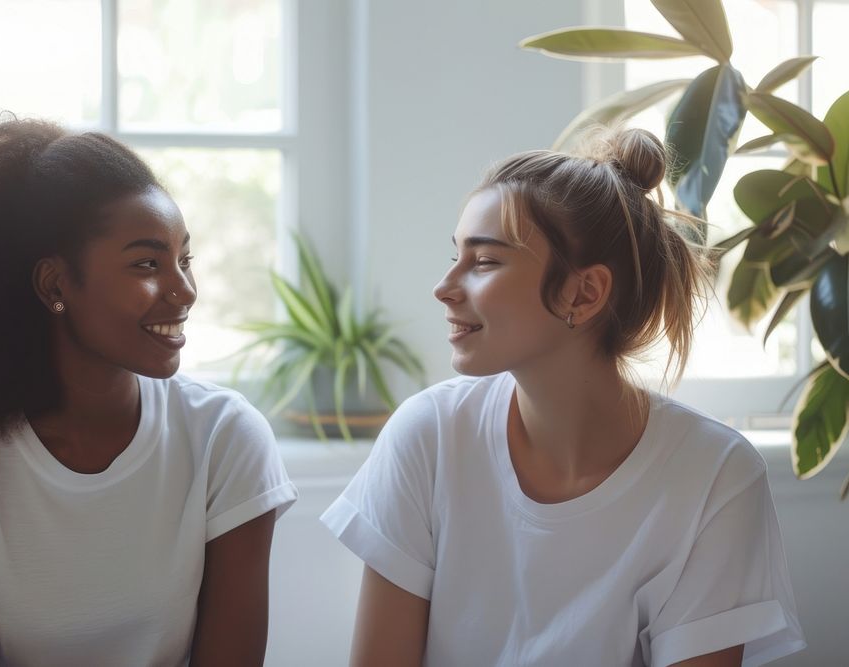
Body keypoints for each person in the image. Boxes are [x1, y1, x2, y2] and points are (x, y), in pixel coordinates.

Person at [321, 128, 805, 667]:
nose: (444, 286)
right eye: (456, 255)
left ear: (584, 292)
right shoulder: (429, 435)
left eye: (484, 262)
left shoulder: (716, 478)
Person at [0, 115, 297, 667]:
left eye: (183, 259)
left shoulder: (224, 438)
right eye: (146, 264)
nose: (184, 291)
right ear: (54, 284)